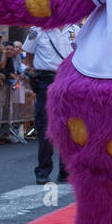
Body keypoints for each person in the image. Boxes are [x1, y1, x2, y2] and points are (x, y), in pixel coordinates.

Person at [23, 23, 77, 184]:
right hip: (45, 80)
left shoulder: (74, 30)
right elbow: (29, 56)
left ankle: (65, 170)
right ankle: (43, 171)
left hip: (68, 81)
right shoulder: (38, 30)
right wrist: (33, 73)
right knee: (46, 126)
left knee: (67, 128)